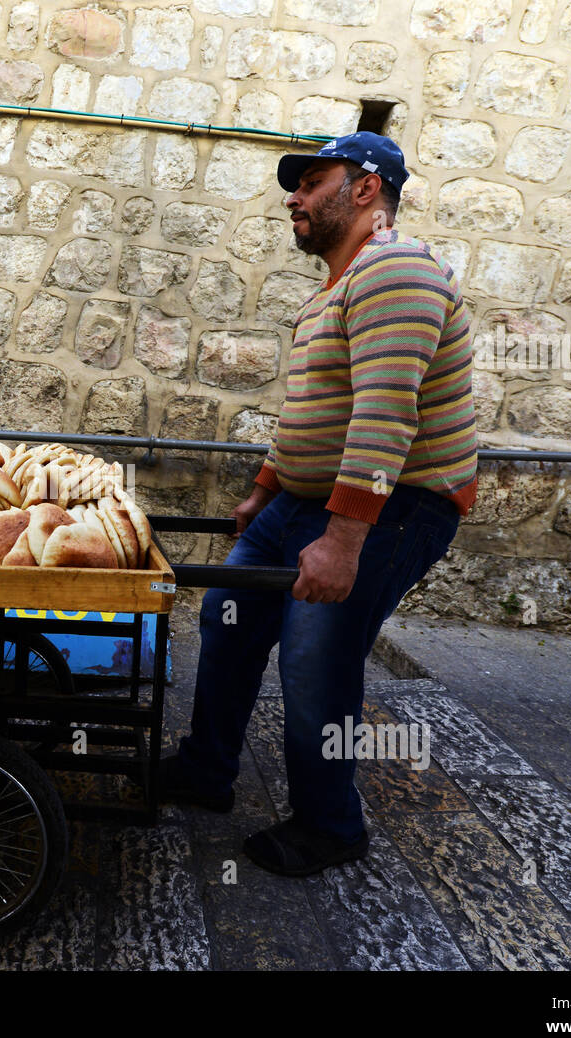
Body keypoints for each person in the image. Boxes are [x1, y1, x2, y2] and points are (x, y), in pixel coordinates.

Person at [157, 132, 479, 877]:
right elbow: (310, 416)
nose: (293, 198)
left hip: (389, 508)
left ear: (366, 188)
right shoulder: (333, 291)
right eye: (293, 187)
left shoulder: (396, 268)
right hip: (303, 502)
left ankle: (331, 825)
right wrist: (262, 495)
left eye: (311, 182)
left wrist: (341, 543)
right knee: (227, 618)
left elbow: (383, 417)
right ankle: (208, 769)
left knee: (315, 659)